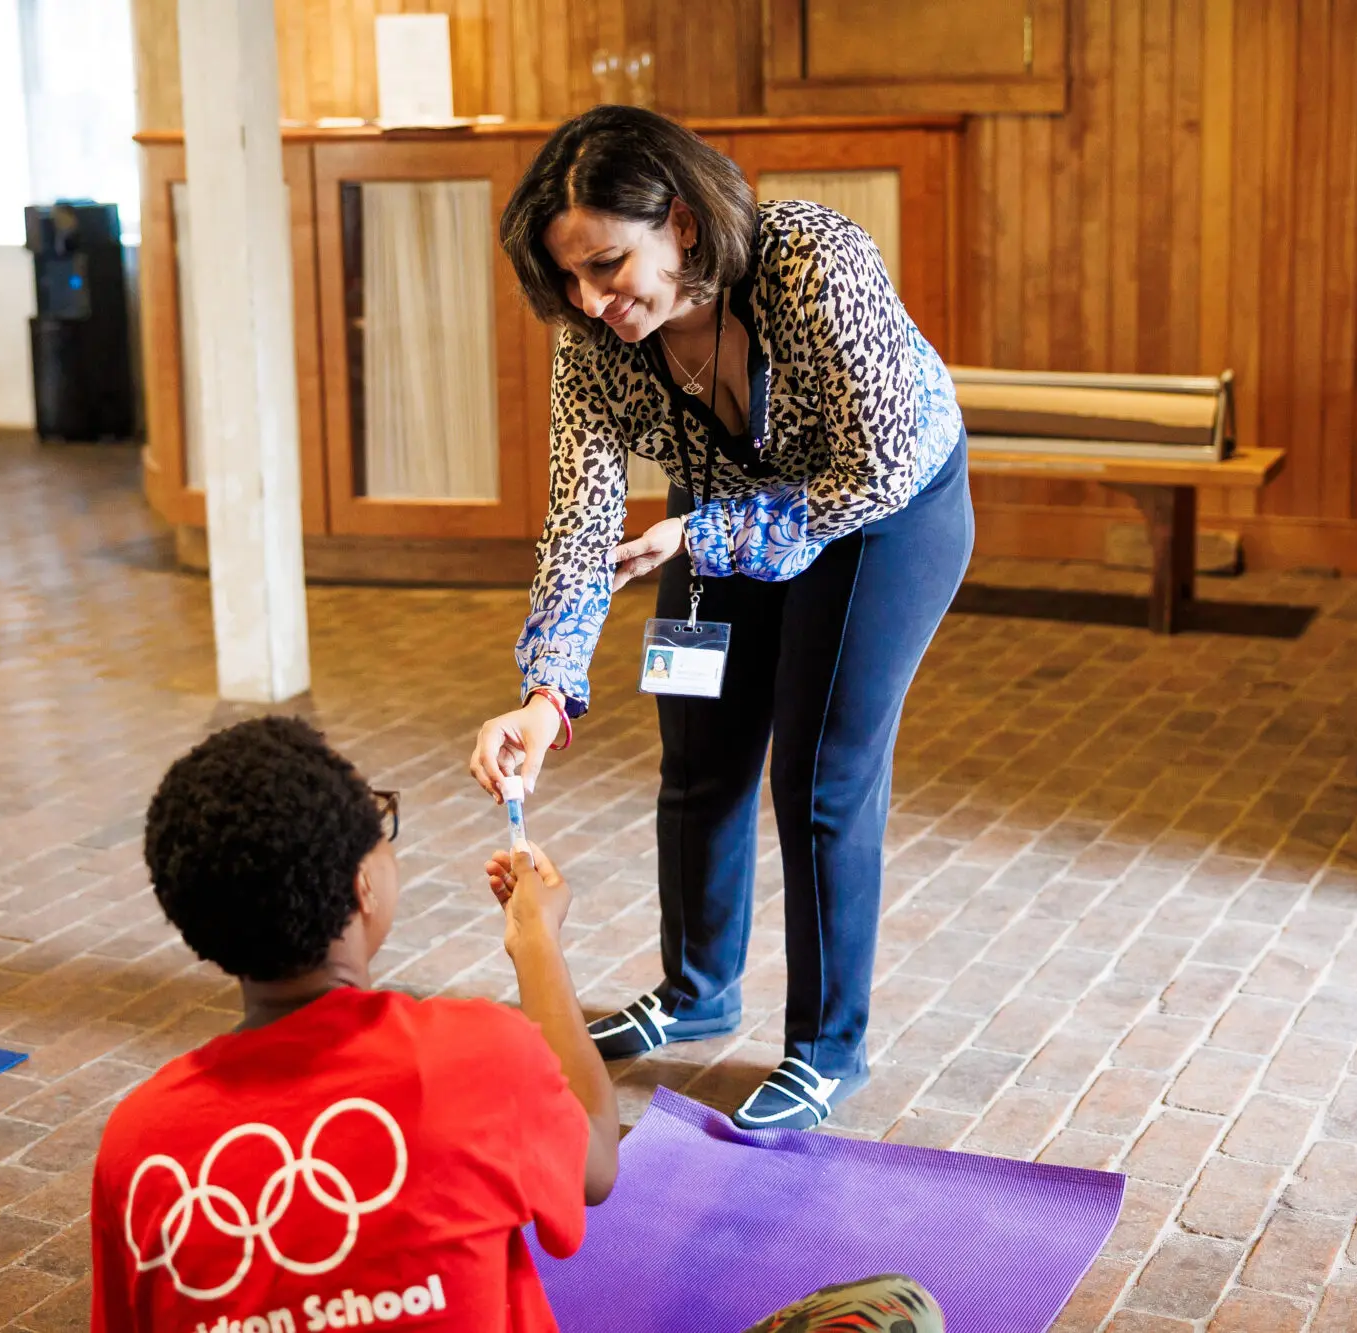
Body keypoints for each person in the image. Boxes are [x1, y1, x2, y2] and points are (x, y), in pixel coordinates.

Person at [91, 716, 945, 1332]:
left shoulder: (137, 1143)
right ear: (362, 887)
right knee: (896, 1309)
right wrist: (539, 944)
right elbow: (596, 1163)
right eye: (379, 828)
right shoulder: (473, 1053)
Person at [469, 105, 975, 1131]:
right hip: (717, 526)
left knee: (818, 775)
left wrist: (706, 533)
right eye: (569, 278)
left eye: (608, 265)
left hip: (882, 513)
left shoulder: (808, 262)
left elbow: (872, 467)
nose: (592, 299)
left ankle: (826, 1047)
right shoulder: (596, 343)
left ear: (684, 223)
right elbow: (580, 518)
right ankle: (697, 987)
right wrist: (541, 694)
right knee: (696, 752)